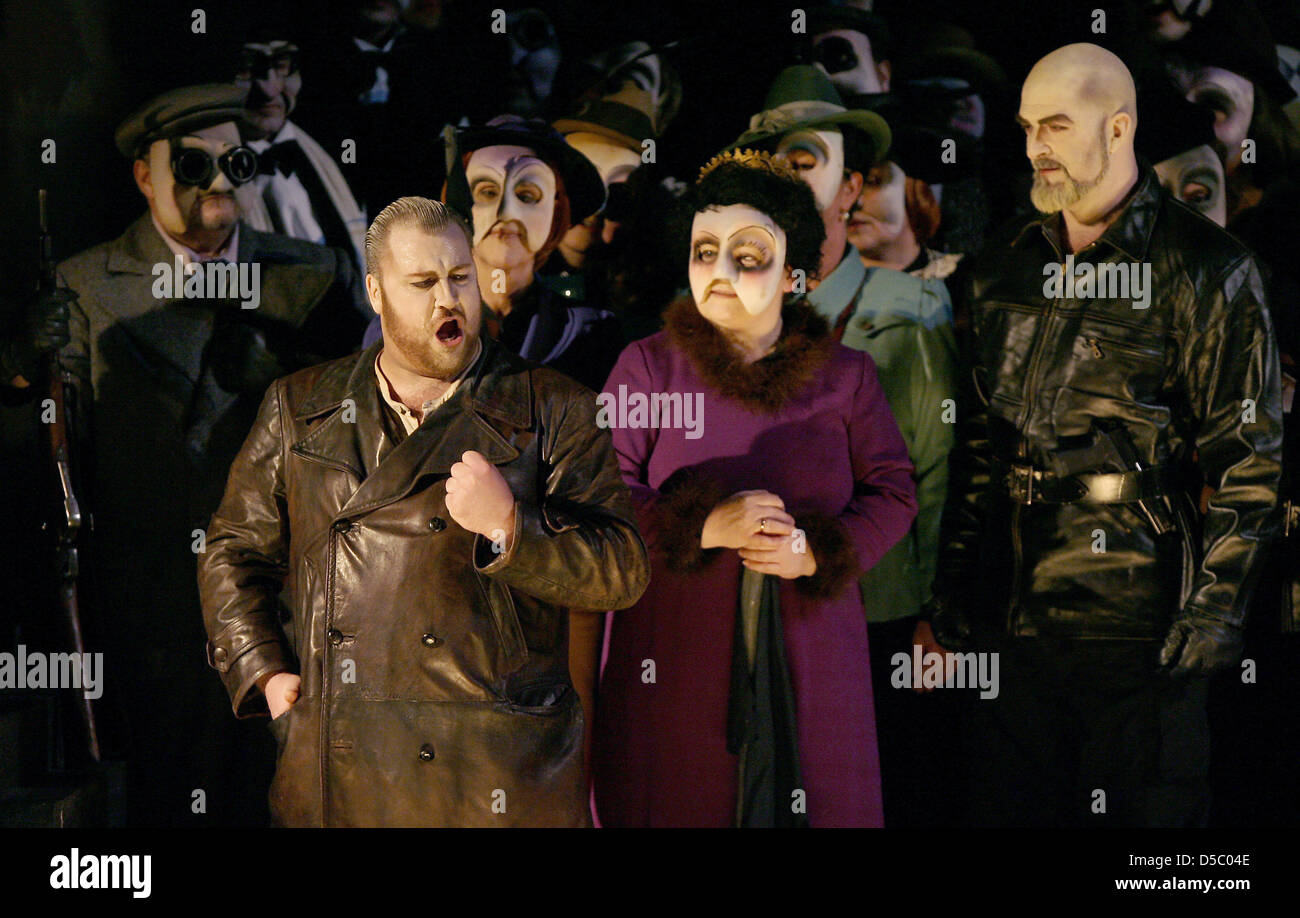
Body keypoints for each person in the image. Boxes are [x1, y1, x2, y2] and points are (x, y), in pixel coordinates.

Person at [197, 196, 649, 827]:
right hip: (343, 757)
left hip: (495, 765)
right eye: (423, 283)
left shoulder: (553, 408)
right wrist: (265, 673)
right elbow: (232, 551)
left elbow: (621, 570)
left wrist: (509, 527)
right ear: (377, 293)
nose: (449, 300)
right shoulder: (299, 406)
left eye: (461, 277)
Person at [0, 83, 370, 826]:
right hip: (153, 611)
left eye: (232, 161)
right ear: (145, 176)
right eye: (192, 165)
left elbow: (363, 435)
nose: (220, 182)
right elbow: (40, 465)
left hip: (286, 599)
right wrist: (15, 368)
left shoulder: (309, 275)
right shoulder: (85, 289)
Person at [932, 44, 1282, 827]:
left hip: (1140, 614)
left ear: (1119, 127)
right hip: (1013, 609)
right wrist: (956, 578)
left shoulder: (1207, 267)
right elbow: (982, 444)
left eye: (1055, 126)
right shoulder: (1005, 266)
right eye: (1026, 128)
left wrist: (1213, 616)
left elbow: (1248, 462)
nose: (1034, 148)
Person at [591, 150, 917, 827]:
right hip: (679, 648)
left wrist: (815, 551)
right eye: (705, 251)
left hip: (810, 639)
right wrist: (704, 527)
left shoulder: (846, 375)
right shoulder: (648, 366)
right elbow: (603, 487)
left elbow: (893, 491)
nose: (719, 271)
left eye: (748, 255)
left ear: (795, 273)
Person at [232, 29, 368, 271]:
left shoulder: (339, 149)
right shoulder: (208, 171)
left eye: (282, 65)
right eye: (246, 68)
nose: (269, 89)